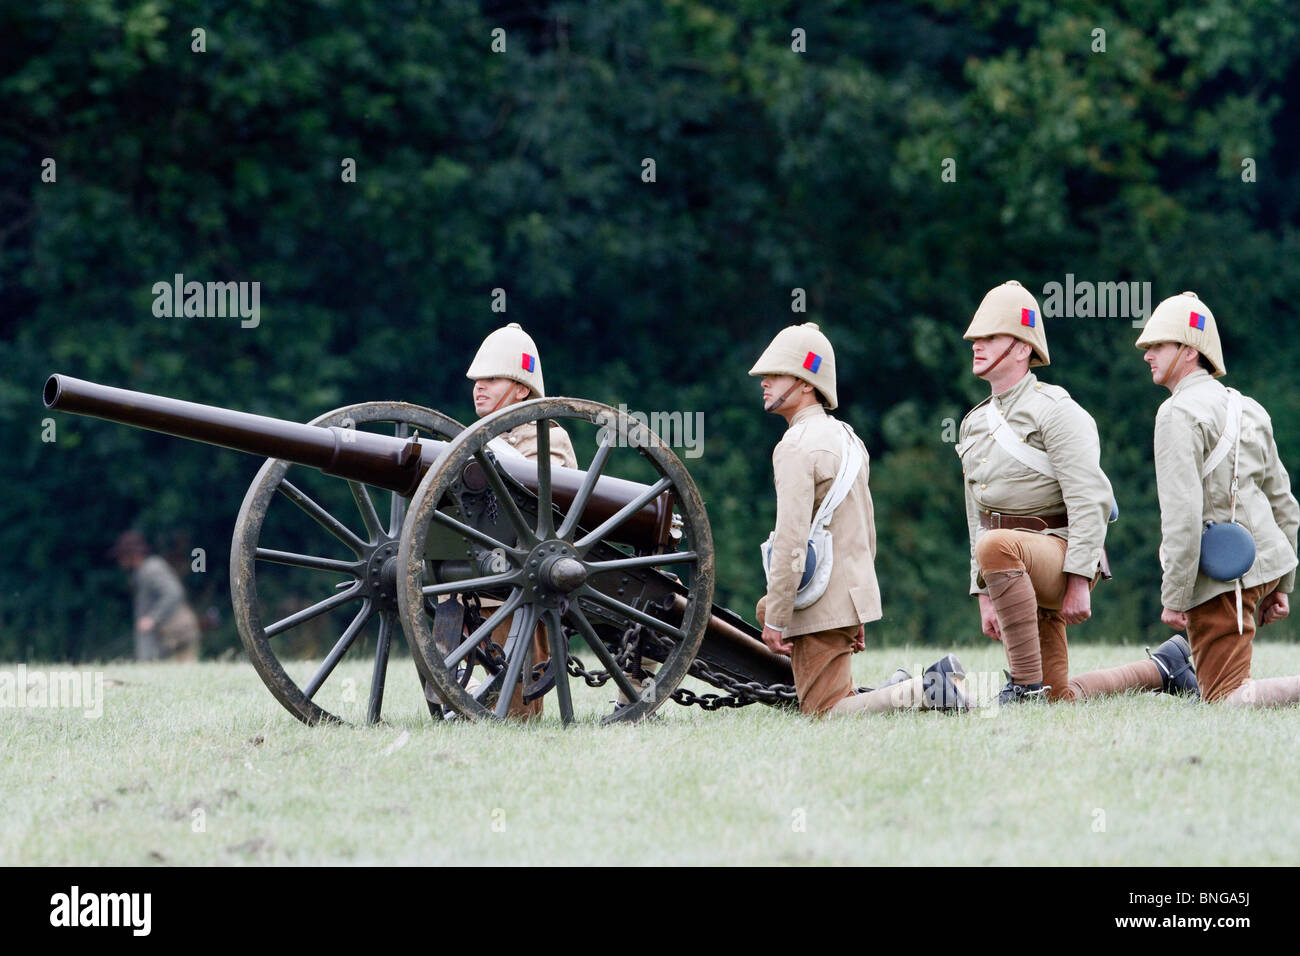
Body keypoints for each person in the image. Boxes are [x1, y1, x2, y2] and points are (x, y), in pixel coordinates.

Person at [957, 280, 1196, 704]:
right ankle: (1165, 667)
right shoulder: (974, 423)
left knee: (996, 545)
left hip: (1059, 555)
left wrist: (1079, 579)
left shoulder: (1057, 410)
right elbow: (978, 516)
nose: (976, 344)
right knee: (1059, 696)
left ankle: (1022, 688)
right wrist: (983, 594)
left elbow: (1091, 500)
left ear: (1021, 347)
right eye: (976, 337)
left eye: (990, 336)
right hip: (1006, 563)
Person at [750, 322, 968, 716]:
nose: (764, 382)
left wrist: (778, 620)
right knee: (838, 696)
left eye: (776, 374)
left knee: (824, 713)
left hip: (819, 599)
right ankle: (903, 688)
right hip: (848, 593)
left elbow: (791, 541)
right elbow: (865, 532)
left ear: (805, 383)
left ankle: (927, 689)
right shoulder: (850, 438)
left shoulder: (795, 445)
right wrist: (857, 611)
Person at [1137, 291, 1300, 706]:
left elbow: (1182, 518)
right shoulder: (1248, 408)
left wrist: (1174, 596)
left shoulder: (1176, 414)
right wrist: (1282, 582)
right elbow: (1283, 502)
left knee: (1226, 699)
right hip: (1261, 564)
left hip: (1221, 579)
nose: (1146, 354)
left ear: (1189, 352)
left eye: (1157, 345)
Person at [464, 322, 577, 718]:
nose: (479, 387)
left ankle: (497, 702)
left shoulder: (548, 439)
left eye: (492, 379)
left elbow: (545, 515)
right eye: (477, 380)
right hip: (480, 573)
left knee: (515, 718)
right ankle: (464, 695)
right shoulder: (470, 438)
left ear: (522, 389)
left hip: (526, 574)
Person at [109, 530, 201, 662]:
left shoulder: (152, 568)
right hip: (170, 634)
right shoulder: (142, 572)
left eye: (121, 556)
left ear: (130, 554)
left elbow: (174, 593)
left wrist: (152, 618)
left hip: (178, 632)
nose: (119, 561)